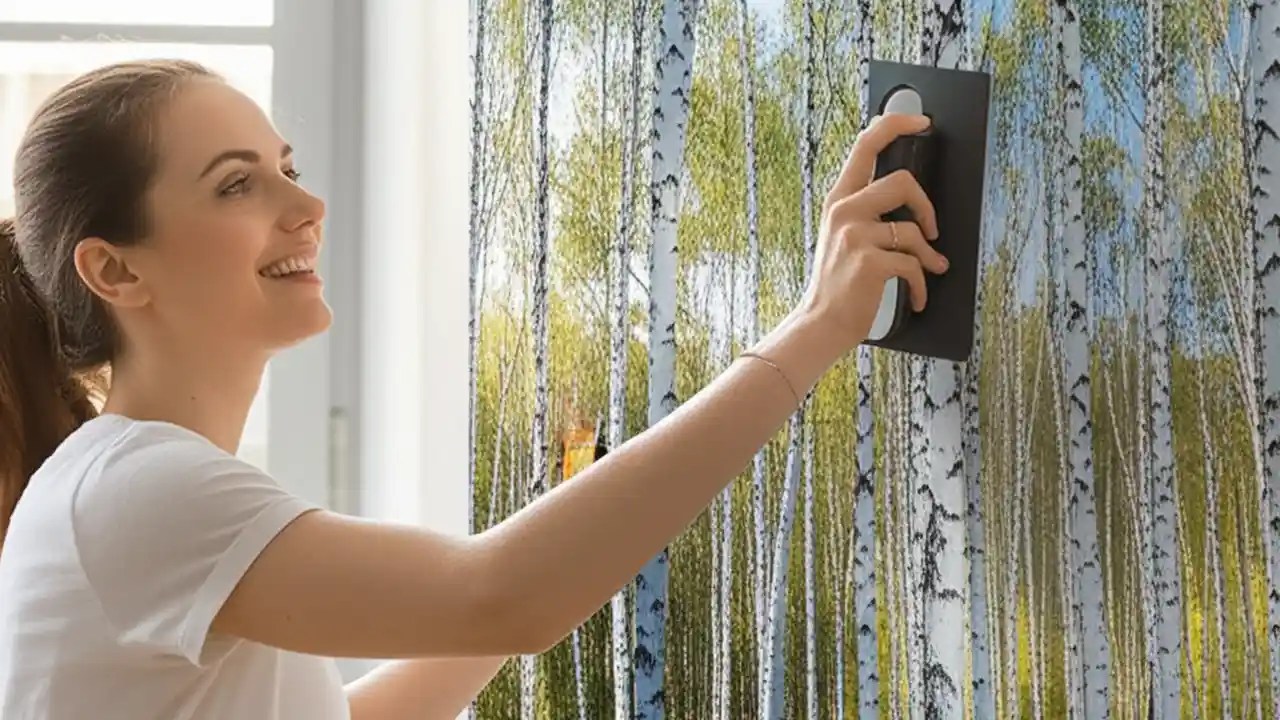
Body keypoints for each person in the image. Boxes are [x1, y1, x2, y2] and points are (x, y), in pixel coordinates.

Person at [0, 59, 946, 720]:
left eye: (288, 169)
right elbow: (504, 597)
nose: (307, 206)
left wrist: (581, 512)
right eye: (236, 186)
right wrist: (817, 324)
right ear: (115, 270)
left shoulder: (130, 486)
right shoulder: (138, 488)